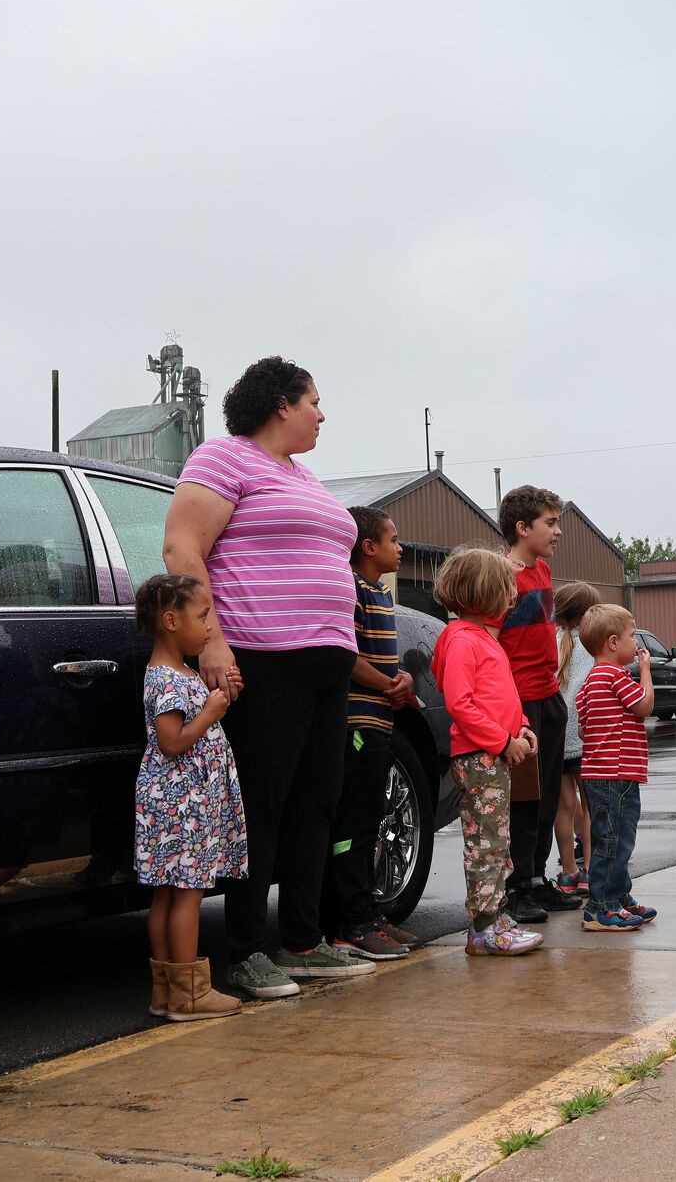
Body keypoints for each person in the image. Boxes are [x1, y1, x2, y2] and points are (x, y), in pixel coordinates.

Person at [161, 356, 372, 999]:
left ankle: (303, 941)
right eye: (314, 400)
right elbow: (182, 547)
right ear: (282, 403)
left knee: (316, 801)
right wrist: (215, 644)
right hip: (263, 657)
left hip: (325, 663)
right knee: (263, 806)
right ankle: (248, 949)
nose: (321, 413)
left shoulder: (300, 475)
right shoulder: (223, 458)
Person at [133, 573, 248, 1021]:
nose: (209, 626)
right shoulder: (163, 676)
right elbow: (172, 741)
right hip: (183, 803)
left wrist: (222, 696)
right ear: (170, 620)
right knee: (187, 893)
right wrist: (211, 712)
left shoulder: (179, 670)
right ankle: (190, 993)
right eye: (202, 616)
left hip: (184, 801)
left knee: (167, 894)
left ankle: (167, 991)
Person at [321, 506, 425, 960]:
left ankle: (370, 911)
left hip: (381, 725)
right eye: (393, 539)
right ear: (368, 547)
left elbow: (383, 659)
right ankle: (350, 924)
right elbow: (346, 656)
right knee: (354, 829)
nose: (400, 548)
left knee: (372, 823)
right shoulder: (352, 591)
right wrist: (387, 684)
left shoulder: (380, 592)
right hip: (358, 726)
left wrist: (402, 681)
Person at [430, 547, 545, 956]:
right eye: (506, 589)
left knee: (497, 838)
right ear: (483, 592)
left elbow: (497, 697)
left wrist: (523, 728)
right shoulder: (463, 640)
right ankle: (483, 927)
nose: (513, 597)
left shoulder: (477, 638)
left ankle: (495, 915)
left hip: (493, 752)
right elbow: (461, 704)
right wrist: (502, 741)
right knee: (487, 841)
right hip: (482, 755)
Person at [495, 485, 578, 922]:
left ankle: (535, 878)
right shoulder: (501, 575)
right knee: (523, 798)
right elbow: (489, 640)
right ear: (522, 528)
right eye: (550, 523)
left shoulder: (542, 572)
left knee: (545, 796)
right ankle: (515, 885)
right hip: (519, 699)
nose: (558, 531)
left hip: (548, 695)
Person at [575, 604, 657, 932]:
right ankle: (600, 907)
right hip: (617, 773)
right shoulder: (615, 675)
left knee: (611, 837)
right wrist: (645, 669)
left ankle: (620, 896)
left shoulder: (589, 681)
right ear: (612, 643)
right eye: (631, 635)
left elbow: (583, 728)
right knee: (616, 840)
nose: (635, 642)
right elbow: (645, 706)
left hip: (598, 773)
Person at [550, 581, 603, 899]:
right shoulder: (591, 644)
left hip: (558, 733)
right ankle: (592, 869)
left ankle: (569, 870)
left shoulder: (552, 640)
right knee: (591, 804)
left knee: (565, 806)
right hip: (586, 735)